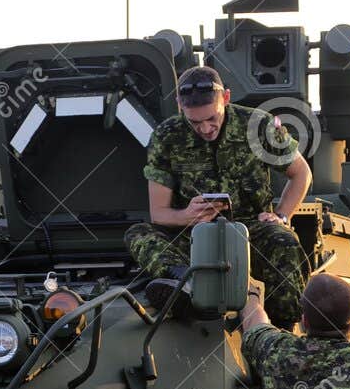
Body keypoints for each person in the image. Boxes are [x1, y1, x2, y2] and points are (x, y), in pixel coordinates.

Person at [127, 65, 311, 328]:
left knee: (284, 241)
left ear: (226, 97)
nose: (204, 128)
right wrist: (186, 216)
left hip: (250, 231)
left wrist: (282, 215)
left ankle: (282, 331)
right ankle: (186, 286)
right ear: (179, 105)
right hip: (193, 236)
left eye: (211, 118)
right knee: (139, 234)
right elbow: (159, 213)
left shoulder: (258, 126)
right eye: (194, 122)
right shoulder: (166, 137)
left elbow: (301, 173)